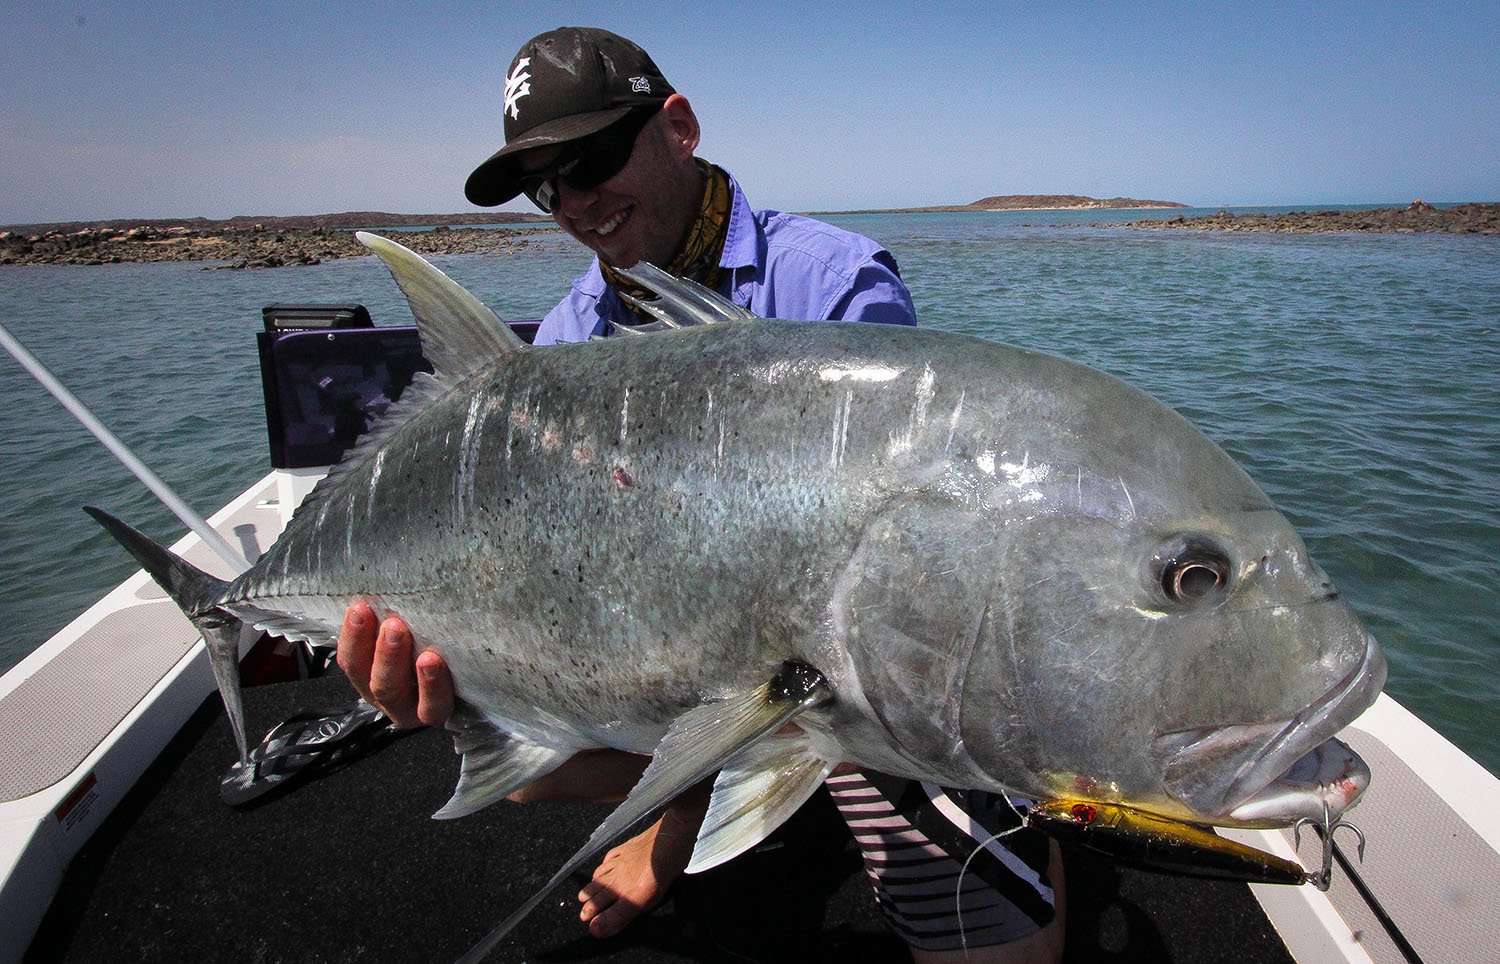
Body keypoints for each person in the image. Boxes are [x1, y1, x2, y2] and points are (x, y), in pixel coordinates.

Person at [338, 27, 1062, 964]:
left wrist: (669, 817)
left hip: (839, 675)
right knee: (520, 758)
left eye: (592, 160)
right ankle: (702, 792)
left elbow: (865, 561)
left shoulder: (833, 285)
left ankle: (721, 804)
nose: (576, 204)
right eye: (546, 187)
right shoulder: (567, 338)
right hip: (695, 665)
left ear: (677, 127)